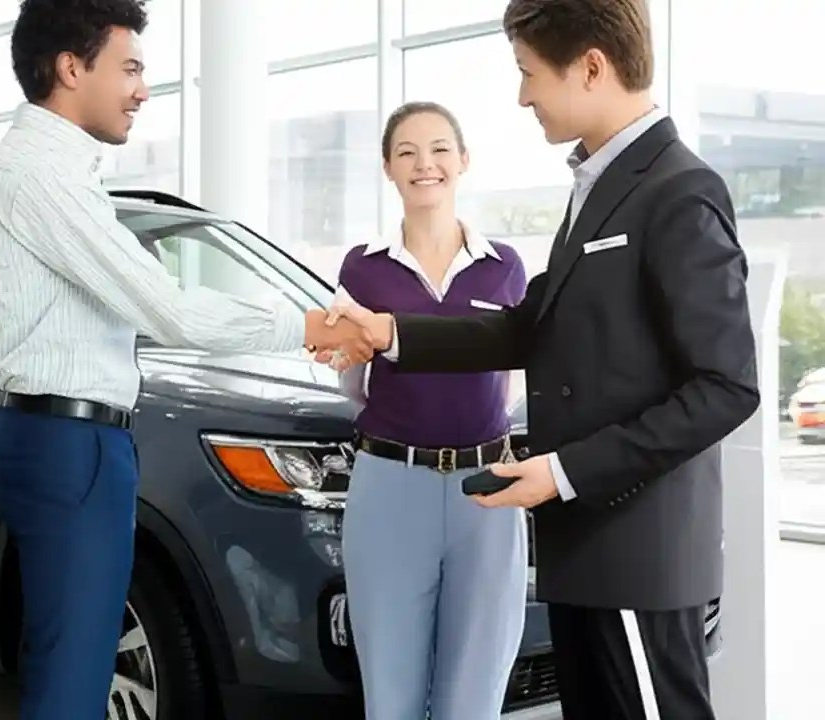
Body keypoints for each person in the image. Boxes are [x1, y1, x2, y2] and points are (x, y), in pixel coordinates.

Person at [323, 1, 760, 718]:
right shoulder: (600, 190)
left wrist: (562, 472)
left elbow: (726, 387)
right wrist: (388, 334)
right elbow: (527, 330)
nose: (522, 95)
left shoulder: (677, 191)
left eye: (529, 74)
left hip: (634, 557)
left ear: (591, 66)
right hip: (587, 547)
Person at [0, 1, 374, 718]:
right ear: (69, 68)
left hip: (59, 436)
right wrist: (308, 323)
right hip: (70, 440)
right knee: (73, 673)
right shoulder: (42, 178)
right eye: (130, 68)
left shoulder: (45, 173)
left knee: (70, 657)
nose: (143, 90)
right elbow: (169, 308)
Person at [328, 101, 529, 720]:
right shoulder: (361, 268)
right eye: (408, 152)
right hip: (390, 487)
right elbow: (353, 384)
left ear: (463, 161)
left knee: (474, 699)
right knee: (390, 697)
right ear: (388, 167)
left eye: (441, 148)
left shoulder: (505, 268)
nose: (425, 164)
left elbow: (515, 381)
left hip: (487, 492)